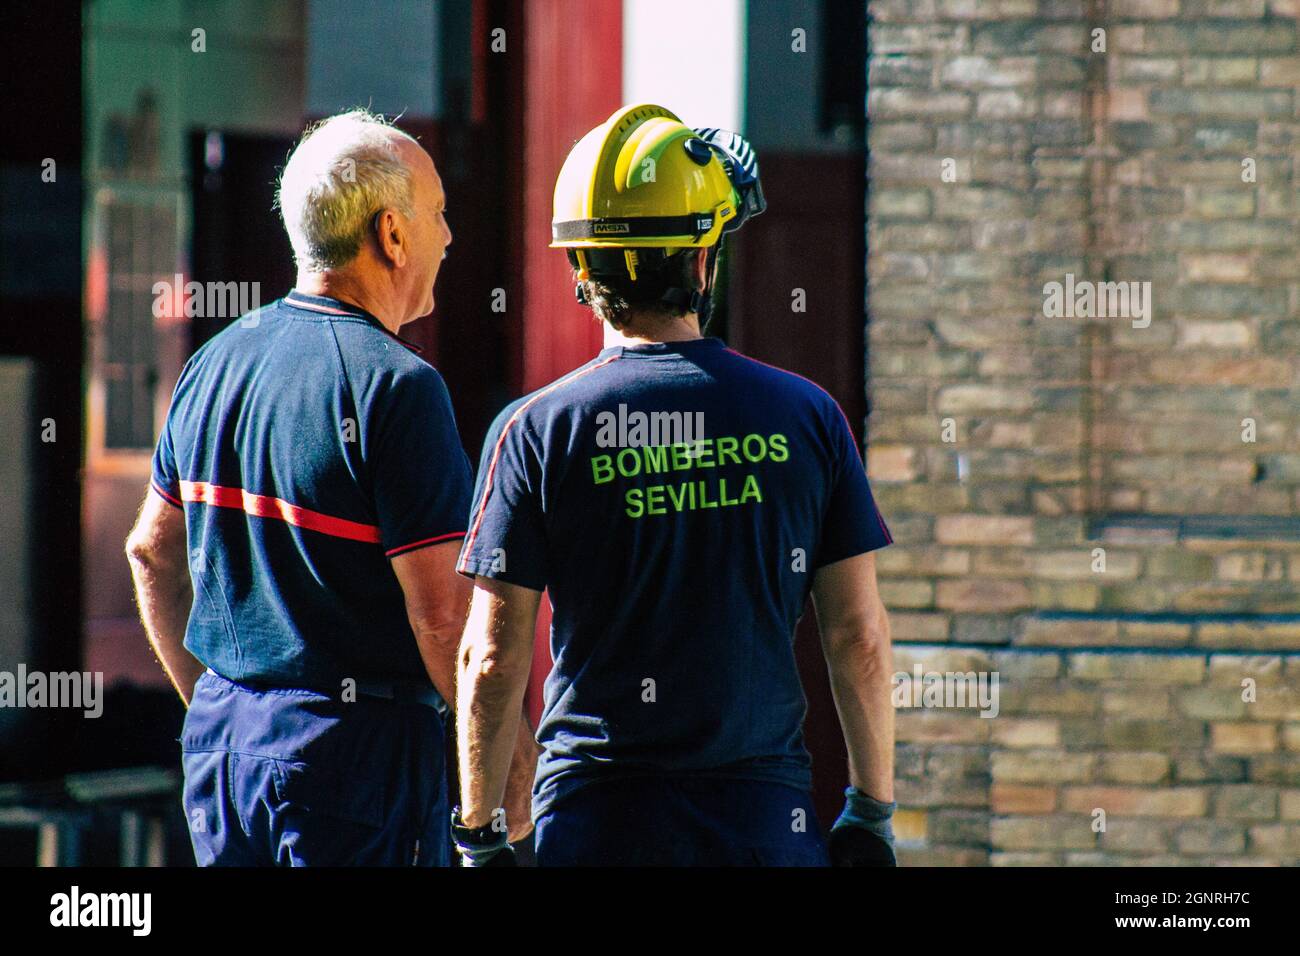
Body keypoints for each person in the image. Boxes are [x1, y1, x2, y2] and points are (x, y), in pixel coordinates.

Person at [451, 104, 897, 866]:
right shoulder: (808, 418)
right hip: (762, 823)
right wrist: (870, 809)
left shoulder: (534, 433)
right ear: (701, 262)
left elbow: (490, 660)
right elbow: (857, 638)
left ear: (580, 271)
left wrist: (480, 833)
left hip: (597, 822)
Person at [125, 109, 535, 866]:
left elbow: (151, 553)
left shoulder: (213, 361)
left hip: (223, 748)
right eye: (439, 215)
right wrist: (510, 779)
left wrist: (223, 711)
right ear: (392, 234)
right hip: (356, 767)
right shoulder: (400, 389)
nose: (449, 238)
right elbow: (445, 623)